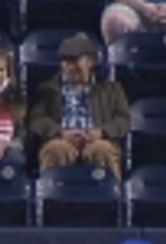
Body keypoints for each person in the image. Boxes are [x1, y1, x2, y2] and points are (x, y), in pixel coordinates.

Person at [27, 33, 130, 178]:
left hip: (98, 139)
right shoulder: (47, 89)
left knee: (102, 150)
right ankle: (52, 197)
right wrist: (61, 133)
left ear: (91, 62)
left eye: (75, 61)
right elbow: (37, 119)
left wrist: (102, 132)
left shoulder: (112, 89)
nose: (70, 67)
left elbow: (123, 120)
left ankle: (111, 197)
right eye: (66, 62)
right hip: (62, 138)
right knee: (56, 149)